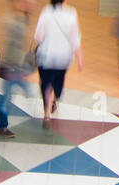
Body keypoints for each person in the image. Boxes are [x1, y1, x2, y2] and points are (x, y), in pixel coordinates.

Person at [34, 0, 82, 129]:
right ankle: (55, 99)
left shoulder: (46, 12)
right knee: (58, 82)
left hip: (46, 55)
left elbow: (38, 36)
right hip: (63, 57)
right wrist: (80, 57)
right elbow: (75, 38)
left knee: (46, 83)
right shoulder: (72, 14)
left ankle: (47, 114)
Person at [0, 0, 33, 139]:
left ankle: (1, 124)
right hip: (10, 66)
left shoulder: (22, 20)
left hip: (16, 66)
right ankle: (1, 126)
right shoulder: (10, 22)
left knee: (10, 95)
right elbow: (6, 44)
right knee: (6, 98)